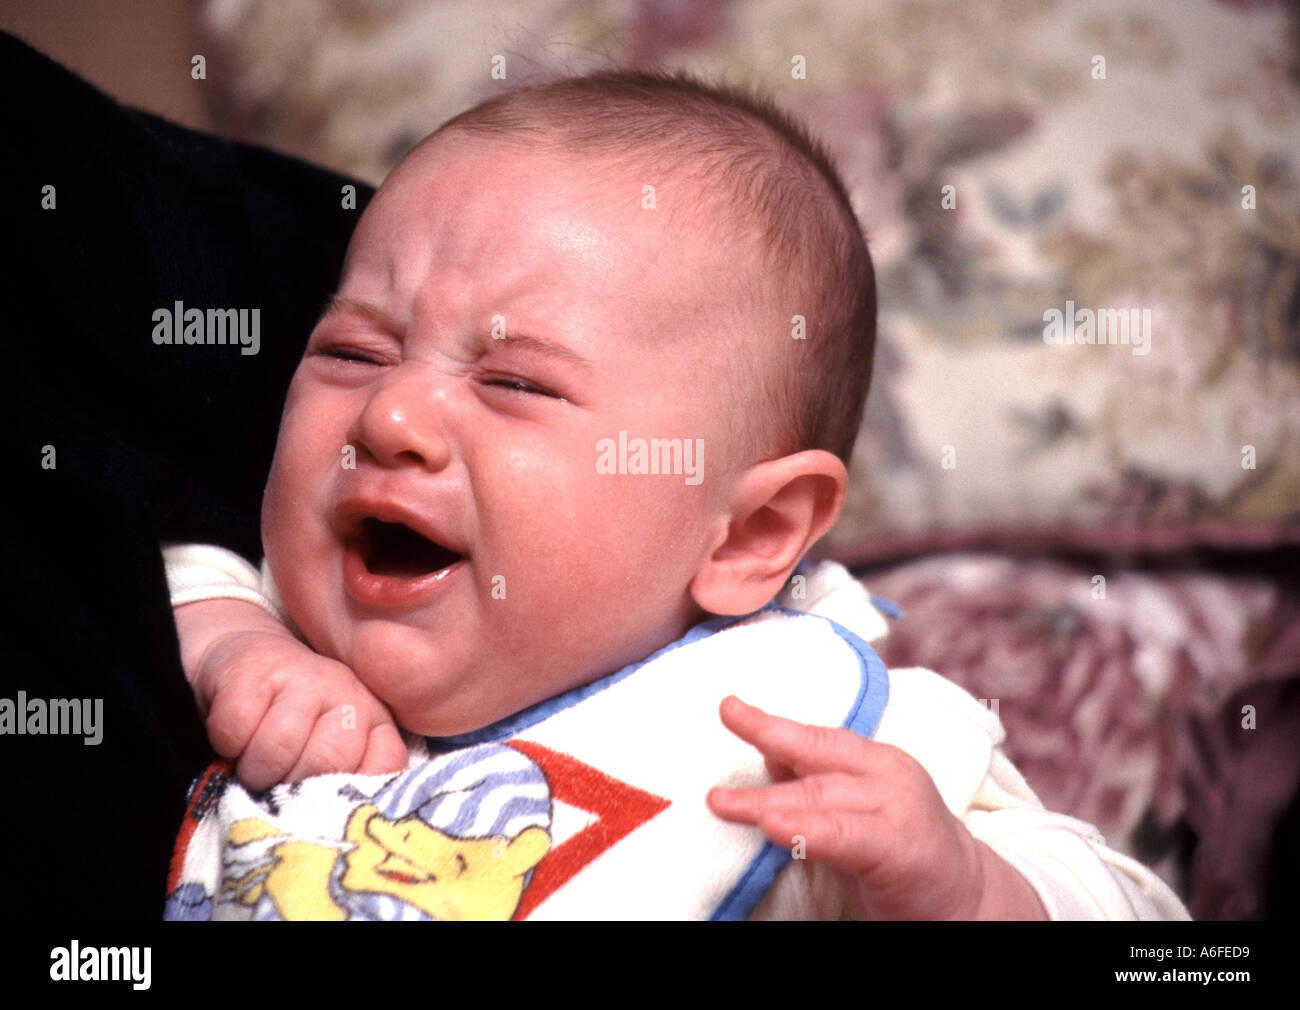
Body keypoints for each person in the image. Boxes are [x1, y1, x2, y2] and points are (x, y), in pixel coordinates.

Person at [160, 70, 1189, 921]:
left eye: (512, 381)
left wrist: (968, 889)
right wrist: (237, 650)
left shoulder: (800, 749)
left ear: (747, 534)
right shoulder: (277, 618)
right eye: (352, 349)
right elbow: (178, 575)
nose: (391, 415)